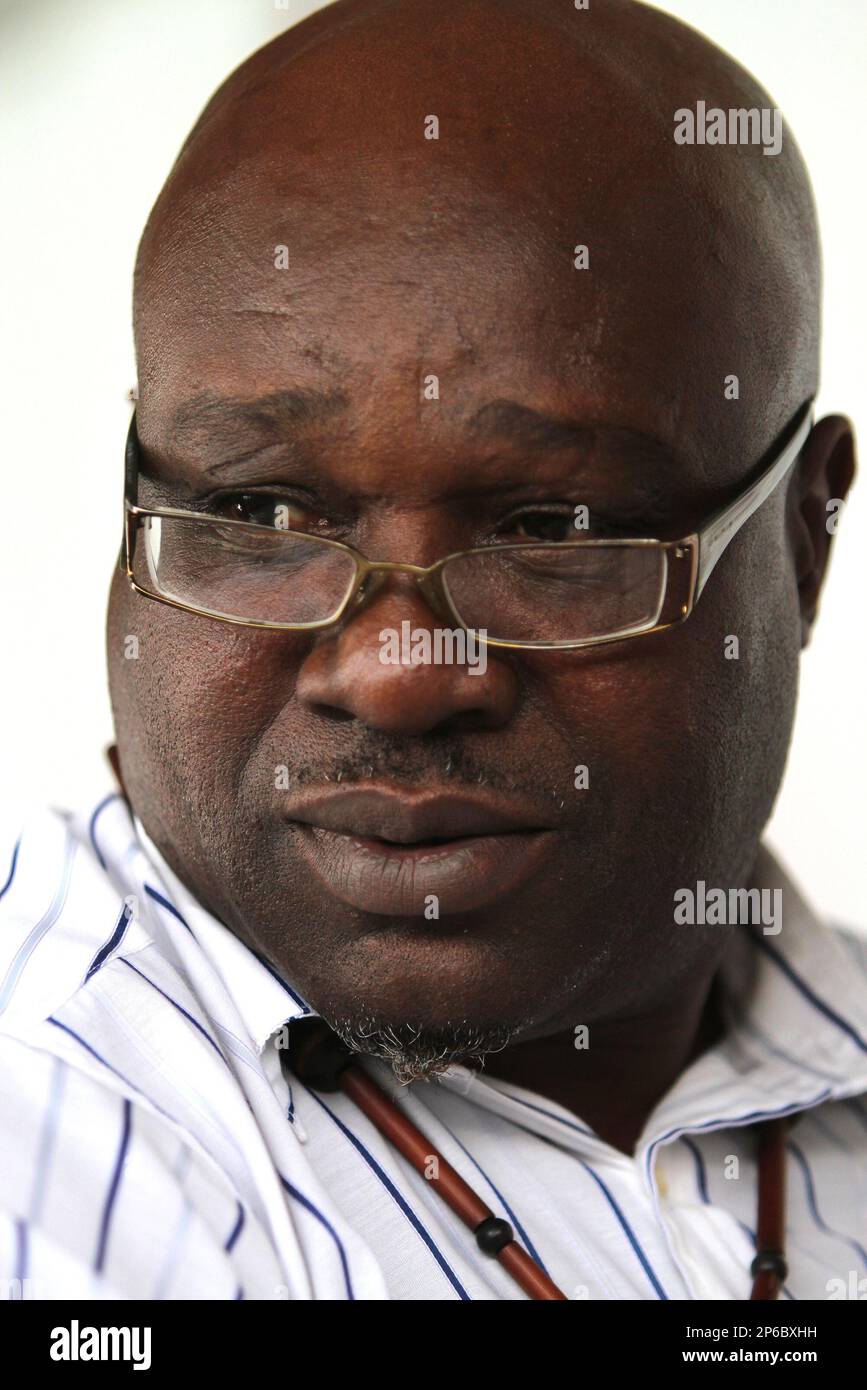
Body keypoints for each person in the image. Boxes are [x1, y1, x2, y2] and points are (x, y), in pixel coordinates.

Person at [1, 0, 864, 1302]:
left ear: (804, 538)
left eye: (552, 528)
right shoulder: (46, 1143)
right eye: (262, 510)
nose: (395, 672)